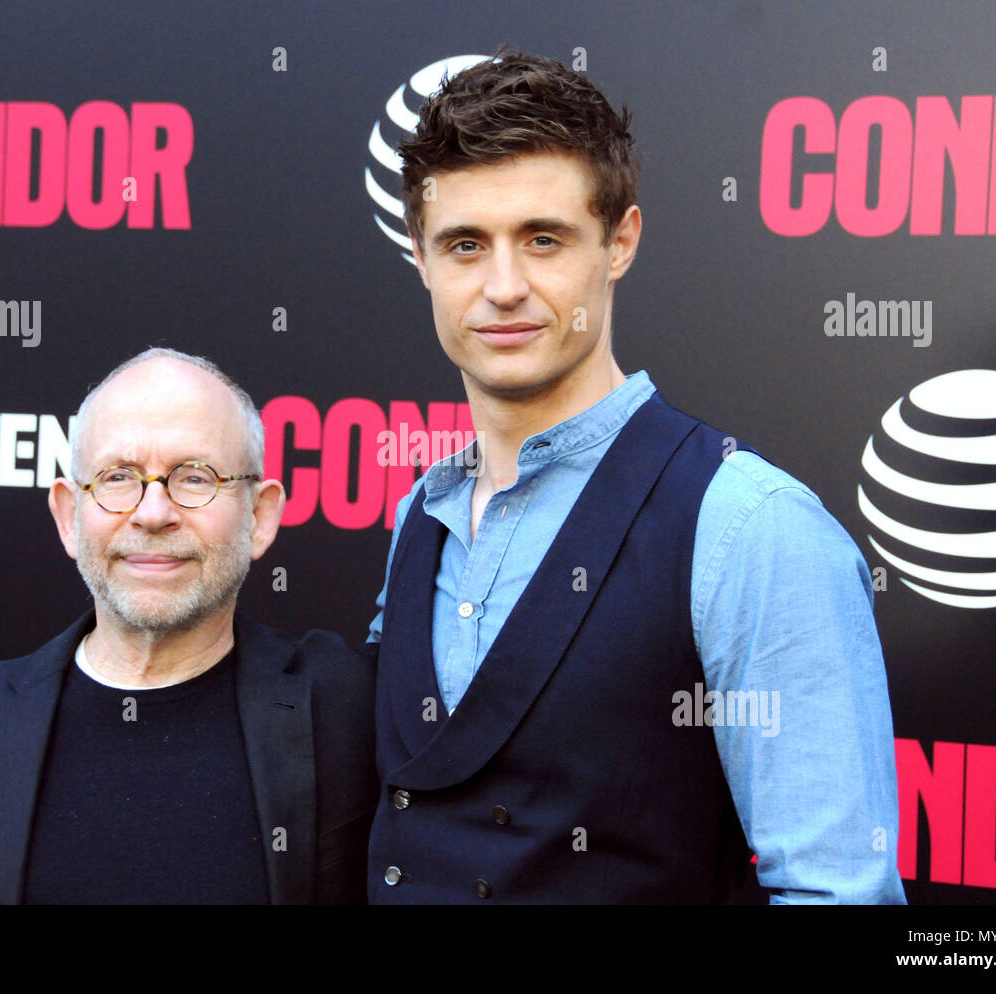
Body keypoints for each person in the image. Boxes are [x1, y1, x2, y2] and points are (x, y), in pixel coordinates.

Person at [365, 51, 906, 904]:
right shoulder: (418, 520)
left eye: (544, 240)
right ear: (423, 262)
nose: (503, 287)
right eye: (465, 245)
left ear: (620, 242)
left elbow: (837, 890)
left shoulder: (749, 525)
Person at [0, 348, 377, 904]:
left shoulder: (354, 708)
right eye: (117, 477)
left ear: (260, 517)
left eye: (195, 477)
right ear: (70, 517)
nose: (152, 512)